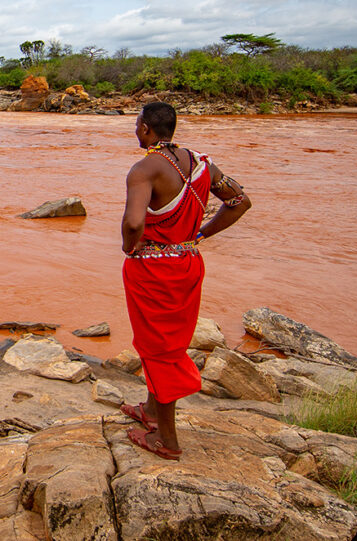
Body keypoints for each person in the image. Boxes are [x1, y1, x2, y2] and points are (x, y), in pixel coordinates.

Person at [117, 102, 251, 460]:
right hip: (188, 262)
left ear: (145, 129)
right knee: (164, 341)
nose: (135, 130)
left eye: (136, 124)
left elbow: (133, 223)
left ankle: (167, 439)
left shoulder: (144, 170)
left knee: (159, 348)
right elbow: (239, 200)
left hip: (152, 271)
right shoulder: (202, 164)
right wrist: (201, 233)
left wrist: (130, 249)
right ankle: (149, 410)